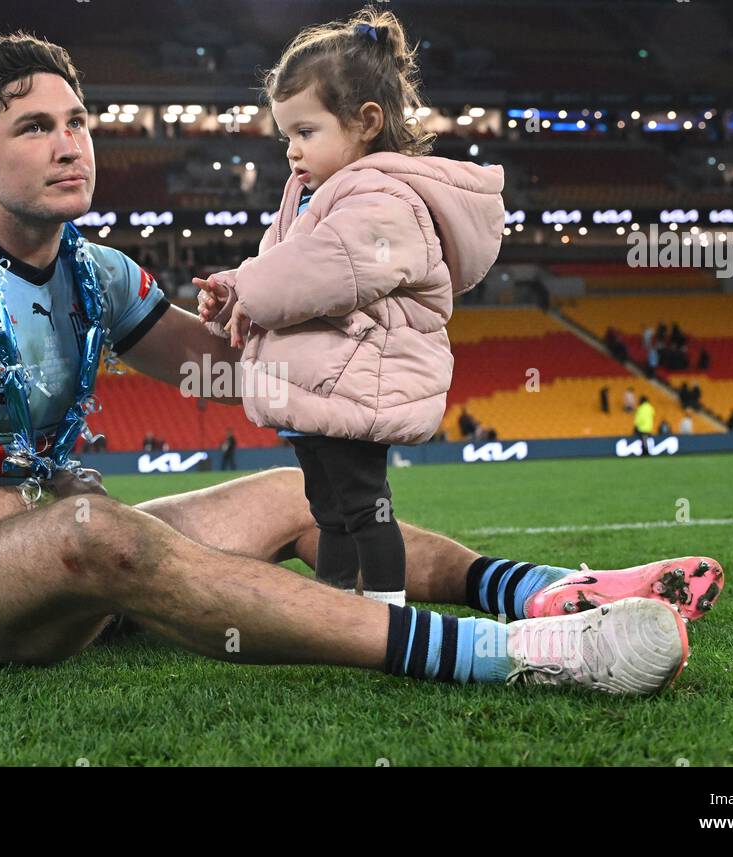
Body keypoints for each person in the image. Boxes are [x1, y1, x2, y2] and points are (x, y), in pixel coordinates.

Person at [0, 28, 722, 698]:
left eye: (78, 120)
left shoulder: (92, 270)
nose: (72, 144)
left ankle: (545, 591)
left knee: (298, 491)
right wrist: (50, 503)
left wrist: (350, 298)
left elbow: (219, 368)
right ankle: (517, 656)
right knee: (95, 529)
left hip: (65, 558)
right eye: (35, 128)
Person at [196, 9, 504, 607]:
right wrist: (236, 290)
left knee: (366, 508)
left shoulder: (383, 196)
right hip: (324, 386)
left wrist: (254, 290)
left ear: (366, 122)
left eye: (305, 132)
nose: (291, 151)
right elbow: (283, 265)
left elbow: (325, 270)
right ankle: (333, 607)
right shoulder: (314, 195)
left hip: (362, 383)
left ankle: (386, 616)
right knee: (329, 513)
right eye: (286, 135)